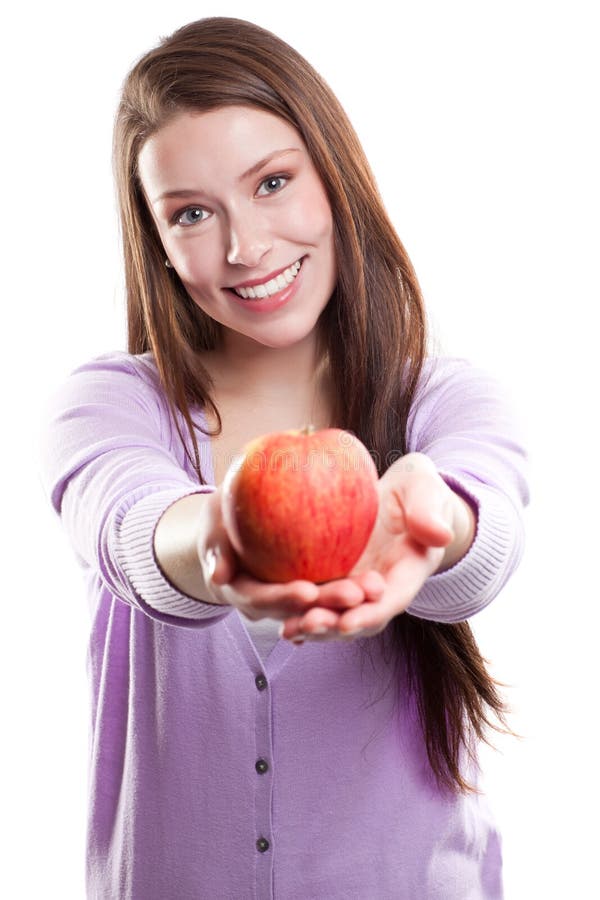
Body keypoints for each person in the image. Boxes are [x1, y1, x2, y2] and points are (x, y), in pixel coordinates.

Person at [40, 16, 529, 900]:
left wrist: (432, 524)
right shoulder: (111, 403)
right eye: (192, 213)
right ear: (157, 242)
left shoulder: (443, 401)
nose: (246, 247)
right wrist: (220, 541)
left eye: (272, 182)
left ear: (335, 178)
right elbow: (129, 524)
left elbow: (481, 531)